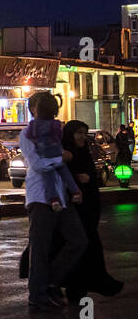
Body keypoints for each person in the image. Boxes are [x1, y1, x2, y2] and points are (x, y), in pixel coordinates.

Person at [19, 92, 86, 312]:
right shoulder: (27, 134)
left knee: (79, 240)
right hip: (40, 197)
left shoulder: (56, 131)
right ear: (33, 110)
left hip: (61, 196)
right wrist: (61, 158)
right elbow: (37, 165)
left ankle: (51, 282)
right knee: (40, 248)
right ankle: (37, 296)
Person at [57, 120, 124, 303]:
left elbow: (92, 183)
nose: (80, 136)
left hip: (87, 211)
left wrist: (88, 179)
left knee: (89, 248)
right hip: (71, 211)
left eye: (83, 133)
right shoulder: (65, 155)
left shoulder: (84, 153)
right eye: (77, 133)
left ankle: (79, 288)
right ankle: (71, 287)